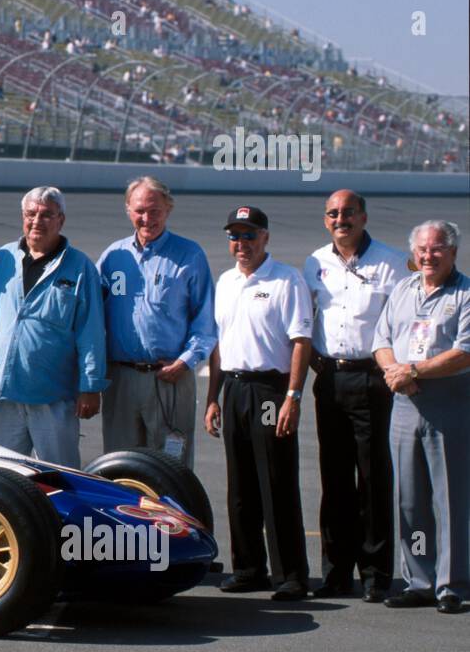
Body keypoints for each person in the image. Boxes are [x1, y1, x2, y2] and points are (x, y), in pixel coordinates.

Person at [303, 190, 408, 601]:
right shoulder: (316, 262)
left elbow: (404, 320)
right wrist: (315, 361)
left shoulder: (393, 261)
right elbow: (303, 318)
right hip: (330, 379)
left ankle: (377, 574)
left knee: (374, 478)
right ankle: (335, 572)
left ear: (363, 217)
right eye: (332, 213)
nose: (340, 219)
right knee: (334, 479)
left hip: (374, 379)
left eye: (348, 212)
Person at [204, 205, 313, 601]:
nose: (241, 244)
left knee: (276, 481)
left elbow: (301, 340)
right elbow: (218, 345)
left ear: (265, 237)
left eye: (249, 235)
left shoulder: (286, 280)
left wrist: (292, 396)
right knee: (240, 486)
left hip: (270, 389)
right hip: (233, 387)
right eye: (234, 235)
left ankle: (291, 575)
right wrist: (212, 398)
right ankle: (249, 568)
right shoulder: (226, 282)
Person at [374, 220, 469, 614]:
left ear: (453, 252)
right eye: (422, 250)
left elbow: (465, 351)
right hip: (404, 404)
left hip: (449, 401)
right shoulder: (403, 289)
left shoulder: (464, 294)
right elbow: (380, 341)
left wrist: (414, 371)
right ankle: (420, 580)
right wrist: (396, 372)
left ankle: (453, 584)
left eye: (436, 249)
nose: (428, 256)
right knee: (410, 500)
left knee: (451, 499)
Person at [97, 176, 216, 468]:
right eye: (139, 210)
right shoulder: (113, 256)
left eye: (155, 210)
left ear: (168, 210)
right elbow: (90, 314)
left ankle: (171, 515)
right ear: (128, 209)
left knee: (172, 466)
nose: (146, 218)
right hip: (120, 378)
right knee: (120, 465)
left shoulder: (190, 255)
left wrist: (186, 361)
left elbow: (205, 319)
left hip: (170, 377)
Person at [0, 187, 106, 467]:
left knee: (58, 477)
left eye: (46, 215)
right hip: (5, 393)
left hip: (53, 396)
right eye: (31, 214)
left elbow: (90, 331)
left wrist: (90, 386)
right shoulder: (2, 259)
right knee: (1, 476)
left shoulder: (79, 267)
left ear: (60, 220)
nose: (37, 221)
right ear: (22, 217)